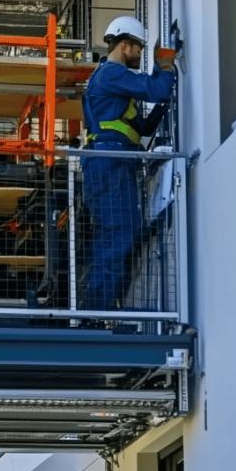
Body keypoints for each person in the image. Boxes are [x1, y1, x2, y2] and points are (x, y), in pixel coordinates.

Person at [80, 16, 176, 311]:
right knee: (118, 233)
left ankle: (100, 307)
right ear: (125, 46)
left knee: (121, 231)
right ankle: (96, 310)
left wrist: (163, 109)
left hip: (112, 162)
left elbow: (142, 127)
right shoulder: (112, 73)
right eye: (139, 49)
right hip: (110, 162)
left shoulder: (111, 78)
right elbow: (155, 88)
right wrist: (166, 67)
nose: (140, 55)